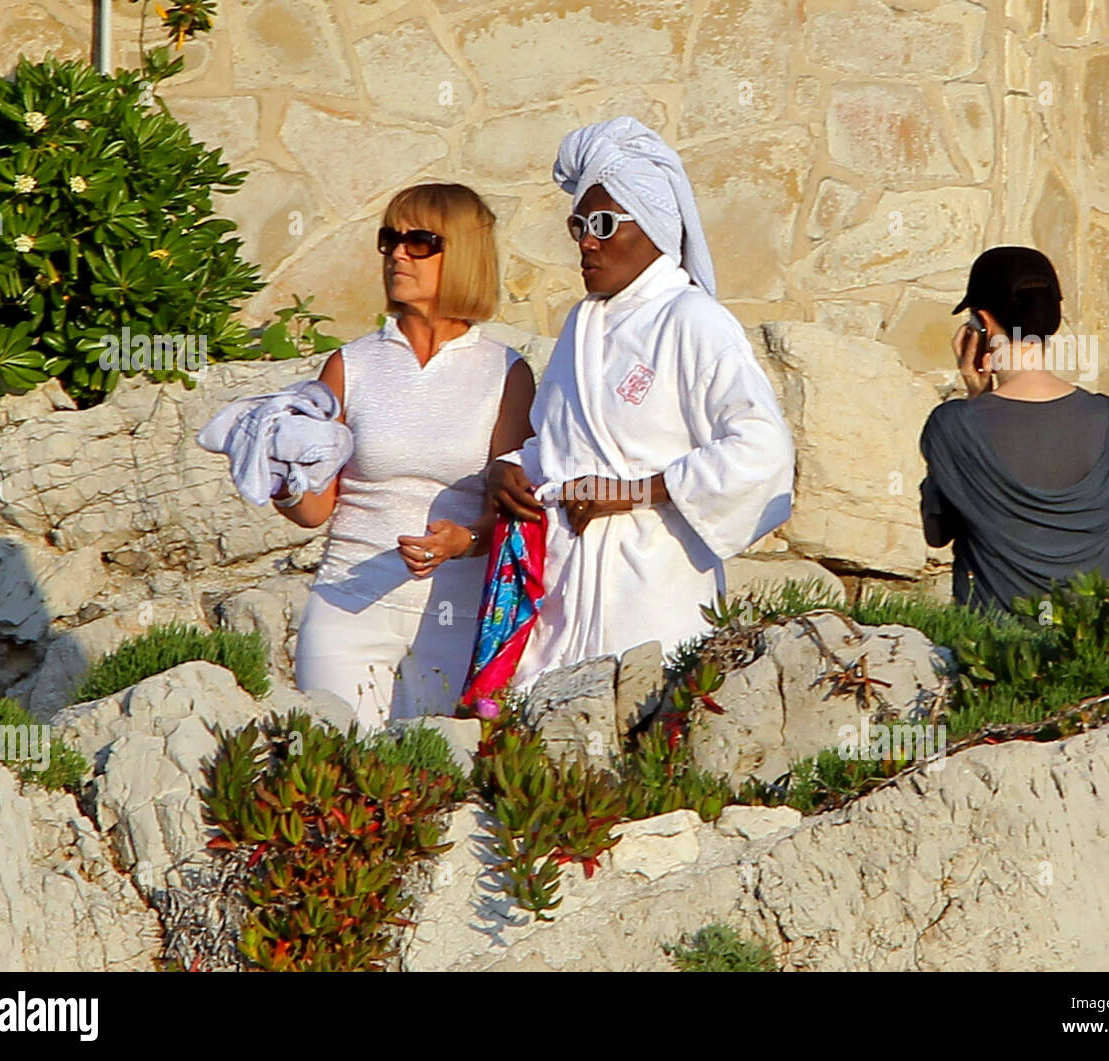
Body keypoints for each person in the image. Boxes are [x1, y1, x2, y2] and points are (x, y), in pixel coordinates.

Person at [486, 116, 795, 689]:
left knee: (642, 739)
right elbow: (559, 446)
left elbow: (762, 450)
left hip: (653, 581)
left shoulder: (694, 321)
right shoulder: (581, 327)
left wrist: (629, 493)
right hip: (564, 586)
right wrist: (509, 472)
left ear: (654, 224)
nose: (586, 240)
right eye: (577, 224)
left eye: (603, 222)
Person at [276, 183, 534, 729]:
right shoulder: (349, 364)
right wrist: (280, 479)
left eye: (420, 241)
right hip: (347, 607)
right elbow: (314, 509)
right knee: (335, 782)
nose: (397, 253)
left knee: (440, 786)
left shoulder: (505, 372)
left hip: (456, 616)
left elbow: (513, 509)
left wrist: (461, 541)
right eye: (389, 239)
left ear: (464, 253)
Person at [918, 245, 1109, 612]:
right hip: (1088, 649)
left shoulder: (953, 425)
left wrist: (975, 397)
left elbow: (938, 531)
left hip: (990, 655)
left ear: (983, 324)